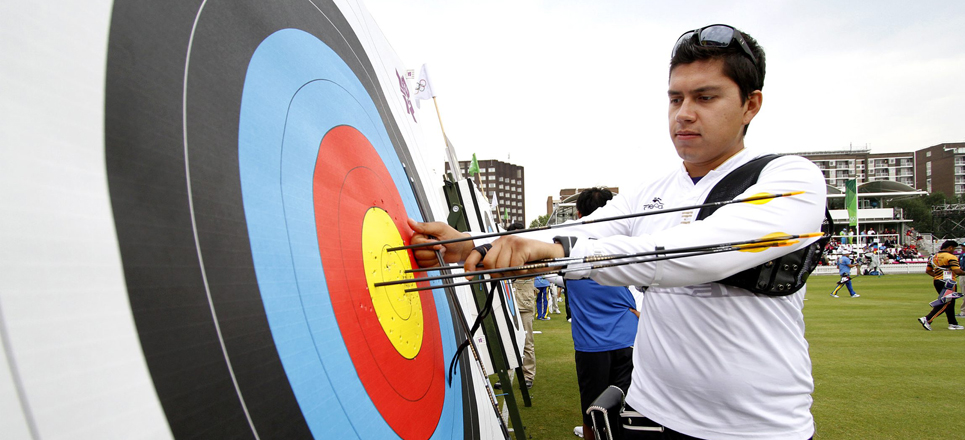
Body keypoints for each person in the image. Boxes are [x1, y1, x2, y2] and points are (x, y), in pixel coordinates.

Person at [409, 24, 824, 439]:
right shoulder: (649, 192)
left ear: (751, 105)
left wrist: (561, 252)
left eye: (706, 97)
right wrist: (465, 247)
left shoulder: (791, 177)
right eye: (675, 98)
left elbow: (704, 252)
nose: (684, 113)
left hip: (759, 428)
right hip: (652, 413)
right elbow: (572, 235)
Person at [566, 188, 639, 440]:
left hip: (594, 346)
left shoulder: (568, 247)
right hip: (628, 337)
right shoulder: (625, 244)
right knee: (624, 411)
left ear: (578, 214)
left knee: (594, 415)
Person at [918, 240, 965, 331]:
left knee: (949, 302)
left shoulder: (933, 257)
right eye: (953, 249)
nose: (954, 251)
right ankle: (927, 319)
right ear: (950, 247)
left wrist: (938, 276)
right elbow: (957, 271)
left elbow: (928, 271)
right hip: (949, 282)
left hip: (937, 281)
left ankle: (953, 323)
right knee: (946, 302)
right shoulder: (951, 257)